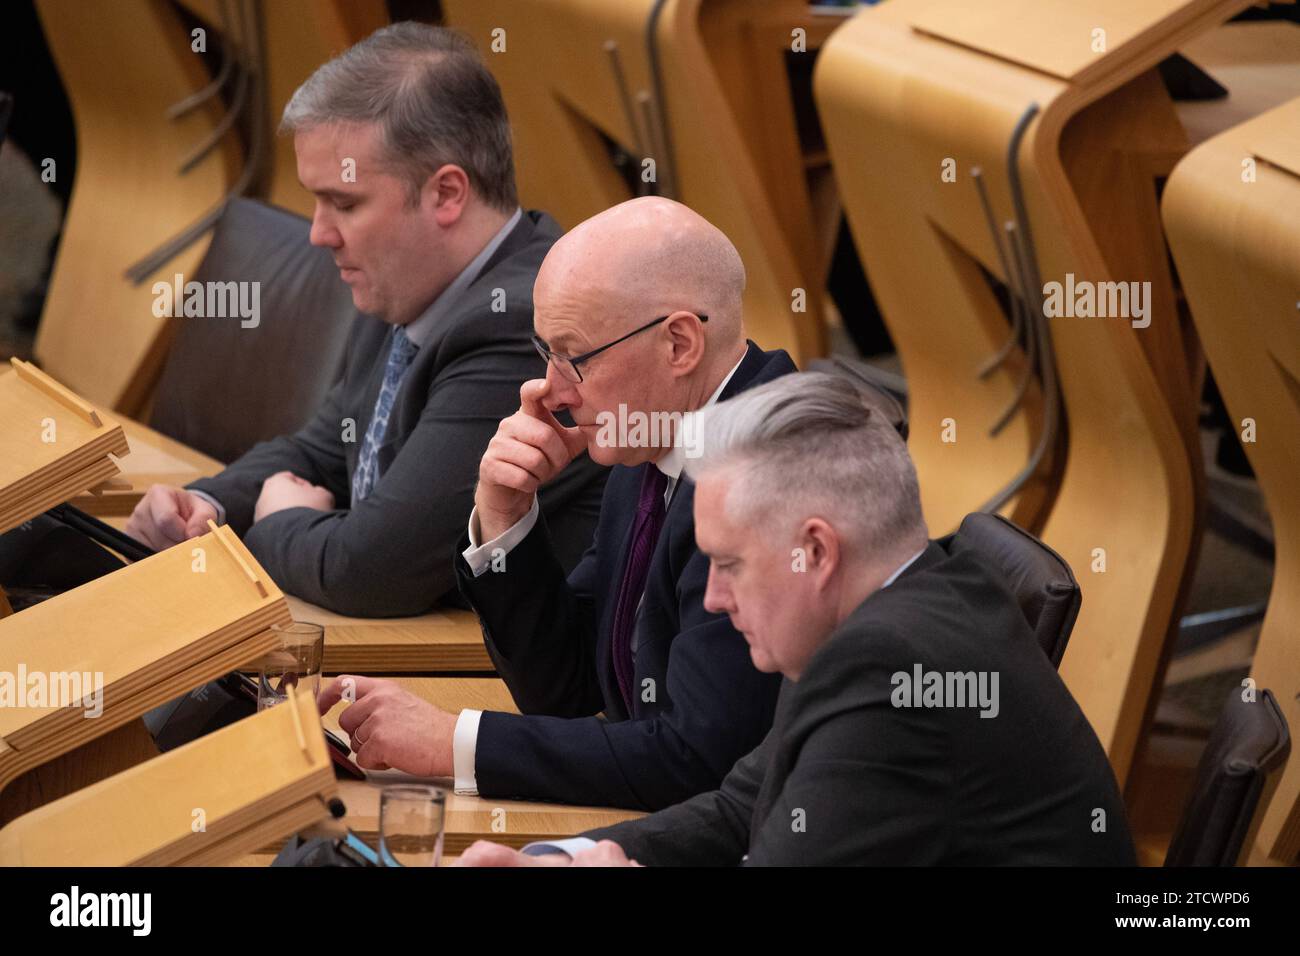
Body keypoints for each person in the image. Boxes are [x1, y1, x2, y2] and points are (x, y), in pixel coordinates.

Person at [454, 372, 1137, 865]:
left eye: (730, 564)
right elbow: (738, 809)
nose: (714, 599)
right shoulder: (898, 603)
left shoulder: (892, 667)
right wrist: (563, 859)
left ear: (815, 551)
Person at [317, 197, 798, 810]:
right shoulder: (648, 437)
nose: (548, 390)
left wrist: (455, 741)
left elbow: (698, 761)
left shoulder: (773, 468)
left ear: (679, 344)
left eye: (573, 357)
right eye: (544, 353)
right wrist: (505, 520)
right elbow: (568, 687)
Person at [125, 23, 605, 616]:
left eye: (344, 203)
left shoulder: (524, 325)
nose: (318, 233)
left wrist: (277, 524)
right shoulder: (408, 279)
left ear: (446, 194)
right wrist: (204, 506)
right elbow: (325, 450)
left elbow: (369, 571)